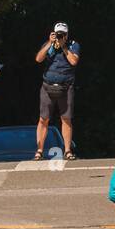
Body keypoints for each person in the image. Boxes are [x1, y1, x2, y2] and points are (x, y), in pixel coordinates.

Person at [35, 23, 80, 161]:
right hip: (48, 86)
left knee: (66, 119)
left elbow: (74, 61)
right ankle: (39, 150)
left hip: (66, 87)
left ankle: (67, 150)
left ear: (67, 35)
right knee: (43, 119)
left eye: (63, 34)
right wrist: (50, 42)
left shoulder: (73, 45)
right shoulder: (49, 45)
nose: (60, 36)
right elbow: (38, 59)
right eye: (58, 33)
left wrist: (64, 47)